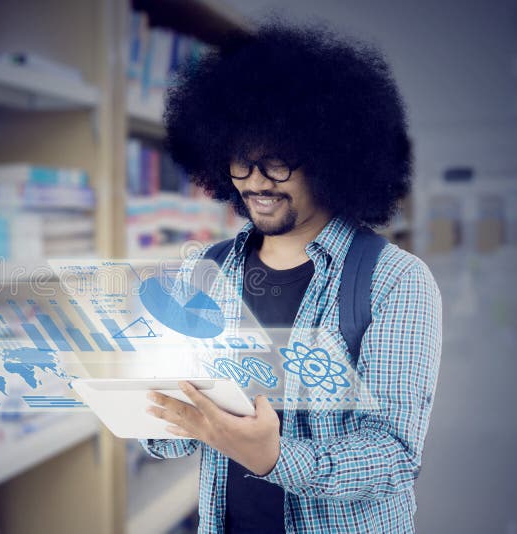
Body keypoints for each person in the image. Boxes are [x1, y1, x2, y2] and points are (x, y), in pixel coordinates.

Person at [141, 20, 442, 534]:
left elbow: (391, 454)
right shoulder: (204, 270)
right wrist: (147, 397)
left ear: (332, 158)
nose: (256, 180)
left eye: (277, 160)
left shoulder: (395, 281)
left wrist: (273, 456)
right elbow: (172, 439)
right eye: (242, 158)